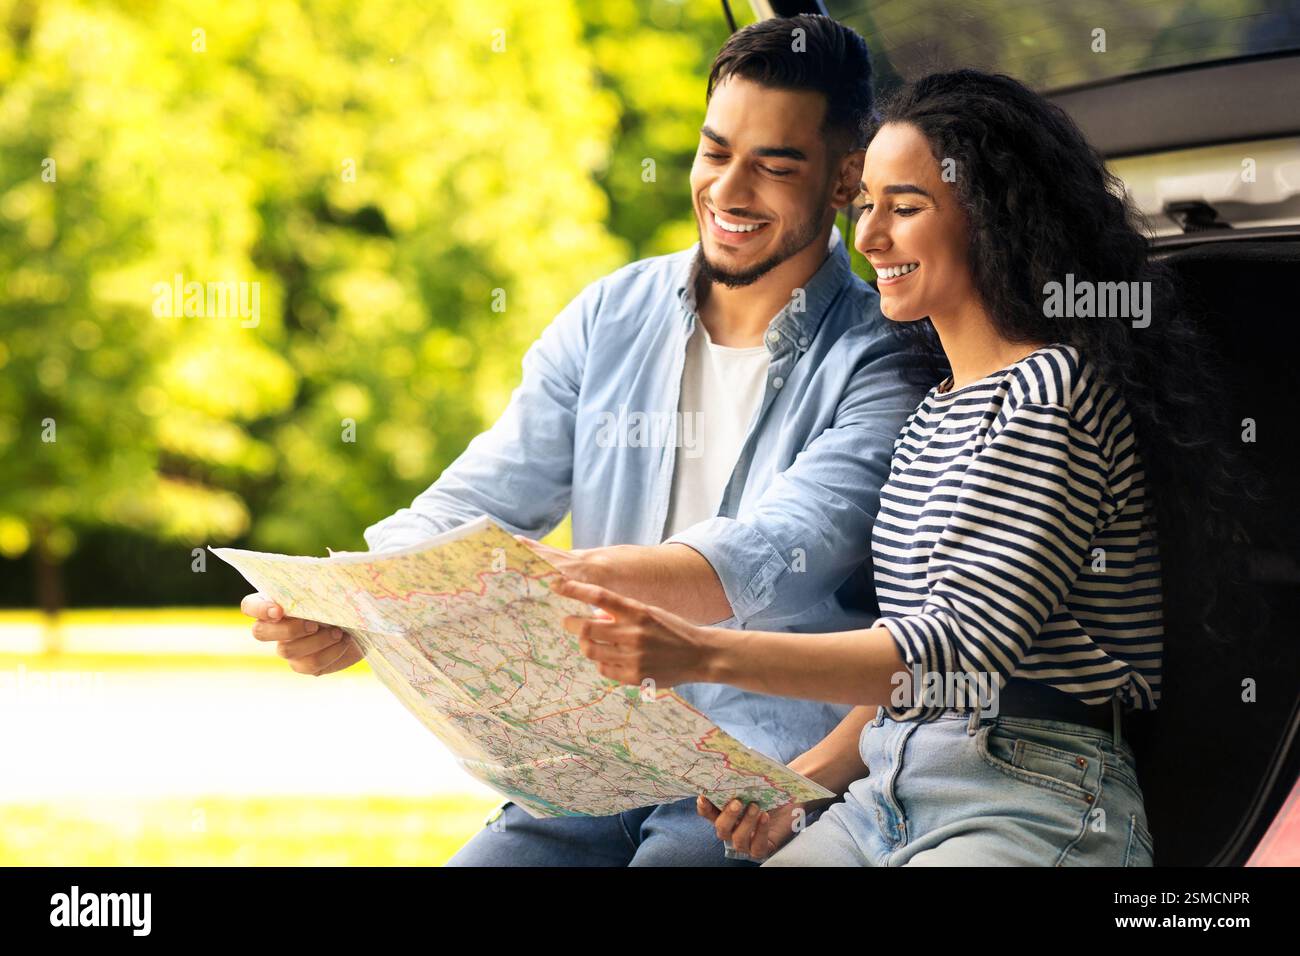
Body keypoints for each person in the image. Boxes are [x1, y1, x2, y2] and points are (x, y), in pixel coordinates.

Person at [238, 15, 932, 866]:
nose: (729, 190)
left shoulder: (886, 356)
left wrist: (549, 582)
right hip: (591, 763)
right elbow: (479, 498)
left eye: (774, 165)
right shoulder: (612, 315)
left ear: (842, 180)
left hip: (756, 777)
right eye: (715, 152)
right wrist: (359, 602)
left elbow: (780, 547)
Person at [555, 69, 1236, 866]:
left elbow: (954, 649)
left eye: (905, 208)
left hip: (1031, 800)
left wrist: (701, 651)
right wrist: (801, 785)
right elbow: (910, 676)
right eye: (866, 204)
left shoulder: (1053, 390)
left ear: (993, 220)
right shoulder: (930, 415)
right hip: (883, 795)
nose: (870, 236)